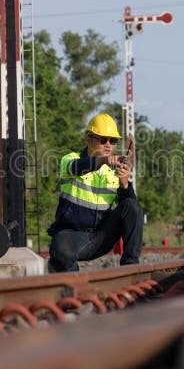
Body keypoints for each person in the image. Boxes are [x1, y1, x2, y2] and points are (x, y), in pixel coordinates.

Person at [47, 113, 143, 272]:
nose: (108, 145)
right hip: (72, 237)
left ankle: (130, 268)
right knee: (59, 247)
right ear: (88, 139)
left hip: (101, 236)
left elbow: (131, 212)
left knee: (132, 205)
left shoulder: (114, 172)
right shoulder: (70, 159)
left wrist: (125, 184)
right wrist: (102, 161)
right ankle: (71, 278)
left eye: (113, 141)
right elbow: (76, 167)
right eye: (103, 140)